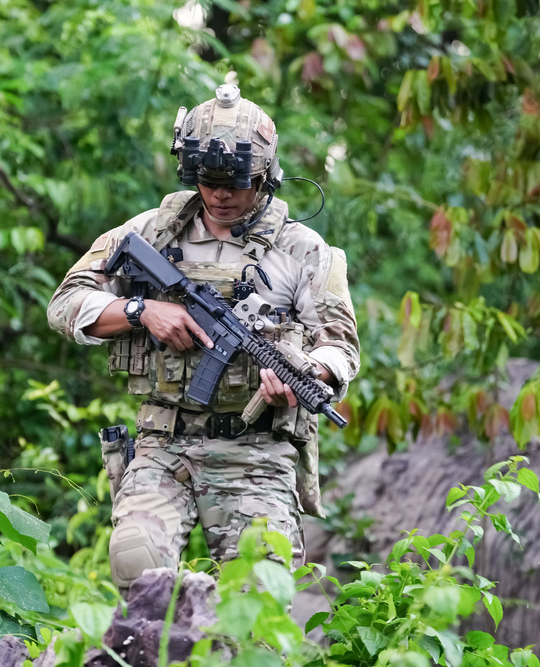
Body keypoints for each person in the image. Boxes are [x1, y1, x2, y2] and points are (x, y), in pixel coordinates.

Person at [47, 82, 360, 591]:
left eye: (236, 182)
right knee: (135, 562)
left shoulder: (303, 250)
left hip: (254, 452)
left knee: (257, 596)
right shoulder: (152, 232)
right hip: (164, 441)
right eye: (207, 180)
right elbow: (65, 303)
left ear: (266, 176)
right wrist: (140, 310)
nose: (219, 194)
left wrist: (309, 370)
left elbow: (340, 346)